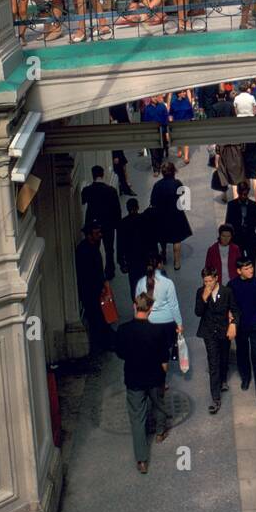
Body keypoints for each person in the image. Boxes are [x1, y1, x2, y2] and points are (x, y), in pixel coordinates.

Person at [115, 293, 170, 473]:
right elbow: (164, 356)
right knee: (158, 404)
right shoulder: (157, 331)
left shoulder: (123, 331)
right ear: (150, 309)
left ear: (134, 307)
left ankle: (141, 460)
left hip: (134, 378)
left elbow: (120, 354)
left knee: (137, 418)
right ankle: (160, 431)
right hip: (154, 376)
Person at [228, 257, 256, 405]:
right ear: (239, 271)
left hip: (255, 325)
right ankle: (245, 377)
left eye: (251, 267)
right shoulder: (232, 285)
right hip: (240, 326)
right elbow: (229, 308)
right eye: (246, 269)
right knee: (242, 353)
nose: (251, 270)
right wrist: (231, 324)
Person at [194, 268, 237, 414]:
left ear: (216, 278)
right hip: (209, 332)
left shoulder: (226, 292)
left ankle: (223, 379)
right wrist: (204, 298)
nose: (208, 284)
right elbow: (198, 312)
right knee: (213, 362)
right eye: (205, 281)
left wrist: (233, 324)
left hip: (224, 330)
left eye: (210, 281)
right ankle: (216, 398)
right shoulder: (201, 292)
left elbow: (235, 309)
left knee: (224, 358)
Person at [74, 222, 113, 353]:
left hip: (95, 289)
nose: (100, 235)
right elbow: (87, 274)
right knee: (96, 316)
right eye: (97, 233)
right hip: (90, 291)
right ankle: (102, 342)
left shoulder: (92, 247)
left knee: (99, 315)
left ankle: (104, 340)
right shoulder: (84, 250)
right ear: (89, 235)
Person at [148, 161, 192, 270]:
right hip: (176, 214)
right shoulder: (177, 183)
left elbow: (152, 201)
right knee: (176, 238)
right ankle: (177, 262)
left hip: (161, 215)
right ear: (173, 172)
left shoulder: (157, 185)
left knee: (162, 236)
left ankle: (163, 253)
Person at [81, 165, 121, 280]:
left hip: (94, 225)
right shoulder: (111, 191)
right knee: (109, 249)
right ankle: (110, 271)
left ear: (92, 175)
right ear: (102, 175)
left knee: (94, 248)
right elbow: (116, 209)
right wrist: (117, 224)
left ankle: (97, 271)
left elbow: (83, 201)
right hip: (108, 224)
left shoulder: (88, 190)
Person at [117, 198, 158, 304]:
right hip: (145, 259)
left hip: (132, 260)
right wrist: (155, 256)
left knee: (134, 284)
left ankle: (138, 305)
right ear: (138, 207)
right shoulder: (145, 220)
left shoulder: (123, 224)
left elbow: (120, 244)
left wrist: (121, 262)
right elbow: (152, 239)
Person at [225, 181, 256, 267]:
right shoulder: (231, 205)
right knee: (238, 262)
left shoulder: (254, 205)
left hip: (251, 238)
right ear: (238, 191)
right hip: (237, 238)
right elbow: (228, 223)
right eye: (241, 193)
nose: (243, 196)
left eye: (245, 193)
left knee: (252, 262)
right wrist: (228, 239)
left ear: (248, 191)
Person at [141, 94, 169, 174]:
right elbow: (145, 122)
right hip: (152, 132)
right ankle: (156, 169)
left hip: (162, 131)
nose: (155, 98)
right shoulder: (147, 109)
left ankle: (160, 163)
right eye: (153, 97)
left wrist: (167, 132)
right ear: (150, 98)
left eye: (156, 97)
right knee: (153, 151)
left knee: (161, 149)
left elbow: (166, 120)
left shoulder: (162, 106)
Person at [168, 88, 194, 165]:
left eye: (184, 92)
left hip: (185, 124)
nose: (184, 94)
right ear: (178, 94)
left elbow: (191, 113)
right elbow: (171, 113)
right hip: (176, 124)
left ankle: (186, 157)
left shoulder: (187, 102)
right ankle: (179, 149)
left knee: (185, 139)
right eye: (183, 92)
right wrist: (170, 119)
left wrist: (191, 120)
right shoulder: (173, 103)